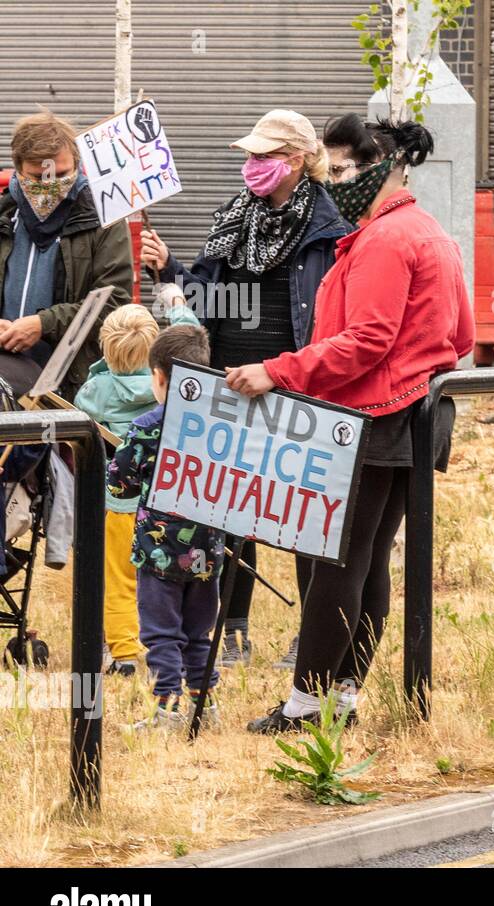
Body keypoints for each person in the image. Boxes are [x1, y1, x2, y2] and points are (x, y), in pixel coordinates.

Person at [226, 117, 474, 733]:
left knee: (336, 559)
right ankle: (341, 696)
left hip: (372, 415)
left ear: (383, 168)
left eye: (340, 171)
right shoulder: (430, 232)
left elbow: (364, 342)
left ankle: (306, 703)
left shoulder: (386, 240)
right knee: (365, 560)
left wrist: (277, 371)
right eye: (328, 171)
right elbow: (464, 336)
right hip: (413, 416)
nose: (333, 183)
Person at [138, 109, 350, 669]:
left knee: (305, 514)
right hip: (228, 377)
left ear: (298, 161)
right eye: (250, 156)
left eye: (265, 156)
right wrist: (169, 270)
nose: (252, 166)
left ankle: (313, 633)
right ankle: (231, 628)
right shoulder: (236, 218)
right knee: (229, 508)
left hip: (296, 380)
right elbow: (206, 296)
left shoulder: (331, 228)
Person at [108, 324, 226, 731]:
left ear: (158, 377)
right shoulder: (221, 427)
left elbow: (119, 482)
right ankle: (204, 706)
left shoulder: (145, 427)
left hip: (158, 554)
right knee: (198, 632)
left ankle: (168, 710)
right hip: (207, 550)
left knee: (162, 633)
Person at [0, 111, 132, 396]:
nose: (49, 184)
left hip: (73, 384)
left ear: (77, 164)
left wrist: (43, 324)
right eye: (37, 176)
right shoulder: (4, 214)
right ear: (18, 170)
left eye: (60, 175)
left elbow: (114, 301)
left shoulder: (105, 218)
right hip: (6, 382)